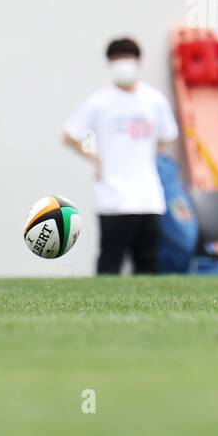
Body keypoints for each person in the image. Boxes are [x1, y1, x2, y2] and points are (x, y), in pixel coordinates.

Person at [63, 38, 180, 274]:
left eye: (127, 58)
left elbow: (167, 137)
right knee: (110, 262)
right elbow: (70, 135)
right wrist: (94, 156)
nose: (123, 64)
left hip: (148, 196)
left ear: (138, 62)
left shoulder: (154, 100)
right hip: (113, 197)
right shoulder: (99, 102)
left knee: (147, 264)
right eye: (117, 59)